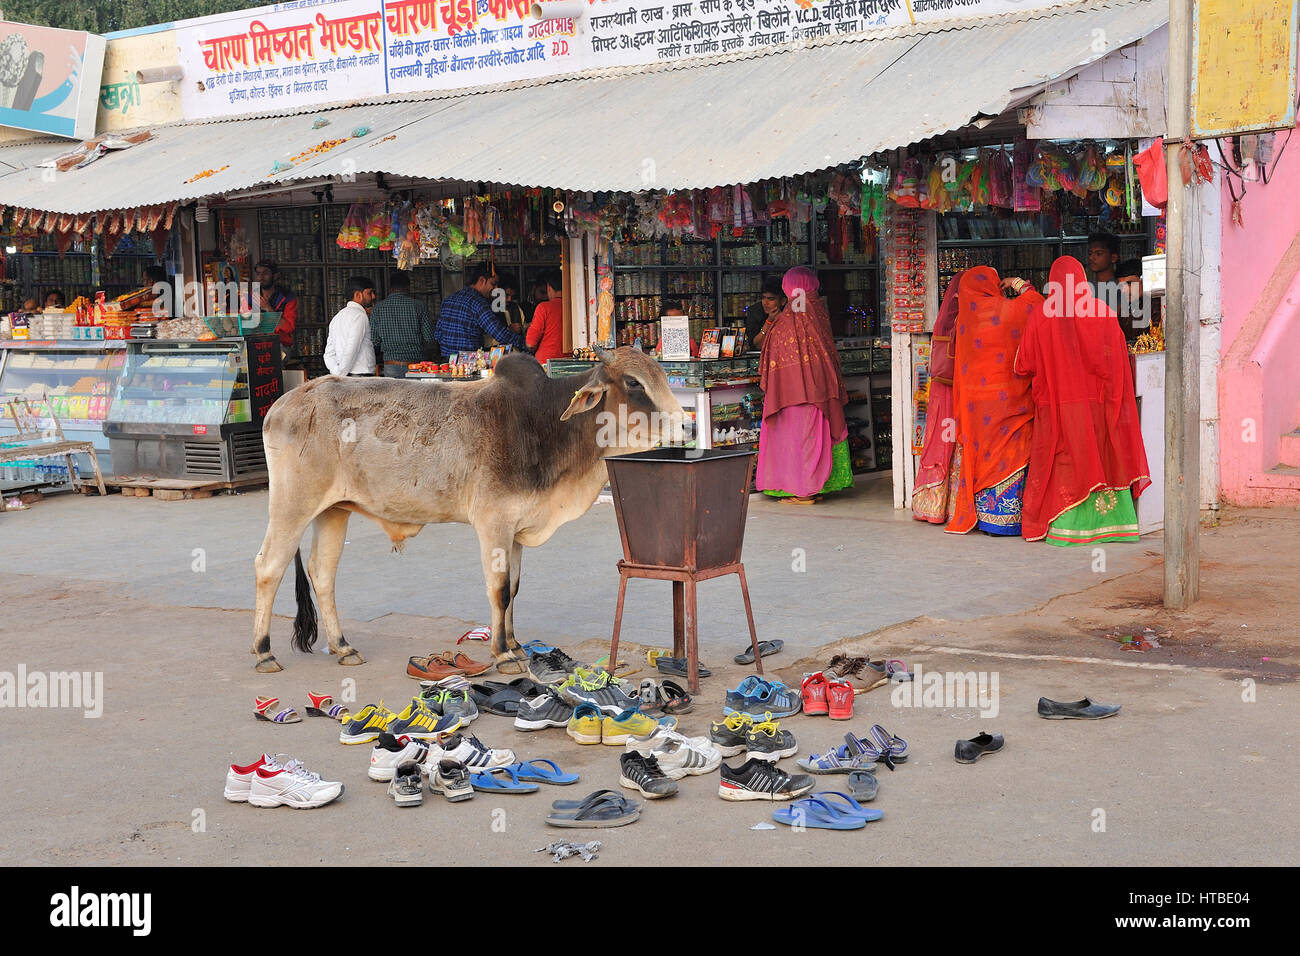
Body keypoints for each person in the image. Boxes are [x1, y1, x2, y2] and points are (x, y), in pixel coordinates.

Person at [1015, 256, 1151, 545]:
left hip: (1058, 406)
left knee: (1065, 460)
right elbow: (1116, 363)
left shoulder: (1040, 316)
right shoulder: (1101, 312)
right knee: (1102, 455)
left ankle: (1067, 527)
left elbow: (1023, 365)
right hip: (1098, 404)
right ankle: (1113, 526)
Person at [945, 267, 1040, 536]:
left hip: (977, 406)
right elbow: (1036, 305)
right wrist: (1019, 284)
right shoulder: (1008, 312)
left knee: (984, 453)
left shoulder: (964, 321)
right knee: (1013, 450)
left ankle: (987, 518)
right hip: (1010, 400)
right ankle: (1009, 520)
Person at [755, 266, 853, 502]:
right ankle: (815, 487)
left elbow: (772, 350)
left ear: (788, 288)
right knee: (816, 436)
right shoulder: (817, 310)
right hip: (820, 389)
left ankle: (804, 491)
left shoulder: (790, 317)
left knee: (798, 440)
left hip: (793, 393)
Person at [911, 270, 964, 524]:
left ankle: (932, 505)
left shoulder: (945, 320)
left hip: (942, 390)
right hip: (958, 390)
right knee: (955, 441)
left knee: (943, 442)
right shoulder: (969, 320)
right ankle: (953, 505)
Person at [434, 263, 528, 356]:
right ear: (482, 280)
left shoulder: (448, 300)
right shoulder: (478, 303)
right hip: (469, 363)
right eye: (493, 284)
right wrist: (527, 345)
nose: (496, 289)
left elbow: (438, 335)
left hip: (447, 362)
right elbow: (499, 333)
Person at [369, 271, 436, 378]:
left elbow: (374, 341)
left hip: (391, 365)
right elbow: (429, 337)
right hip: (415, 365)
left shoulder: (378, 308)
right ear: (408, 287)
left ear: (389, 288)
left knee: (393, 394)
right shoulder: (419, 306)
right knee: (416, 394)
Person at [323, 276, 378, 376]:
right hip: (361, 376)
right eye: (369, 293)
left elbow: (328, 354)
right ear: (358, 295)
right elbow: (352, 349)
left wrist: (336, 372)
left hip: (346, 376)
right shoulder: (360, 316)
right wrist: (341, 374)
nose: (373, 296)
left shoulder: (337, 317)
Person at [254, 260, 299, 350]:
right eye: (258, 273)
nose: (260, 277)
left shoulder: (288, 298)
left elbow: (289, 327)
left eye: (265, 273)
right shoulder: (250, 298)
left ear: (275, 276)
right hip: (256, 344)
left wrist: (269, 309)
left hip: (280, 345)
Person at [526, 269, 566, 365]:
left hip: (546, 364)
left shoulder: (543, 308)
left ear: (549, 287)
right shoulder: (574, 307)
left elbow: (530, 344)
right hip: (571, 362)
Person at [744, 277, 786, 350]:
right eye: (763, 298)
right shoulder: (754, 312)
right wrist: (769, 321)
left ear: (783, 301)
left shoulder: (788, 313)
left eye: (771, 299)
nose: (765, 303)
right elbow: (757, 345)